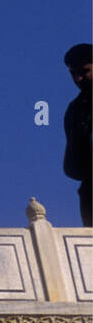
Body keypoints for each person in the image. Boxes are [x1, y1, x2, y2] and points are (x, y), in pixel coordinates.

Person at [63, 43, 91, 227]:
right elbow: (72, 165)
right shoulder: (75, 110)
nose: (79, 78)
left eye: (85, 71)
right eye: (73, 74)